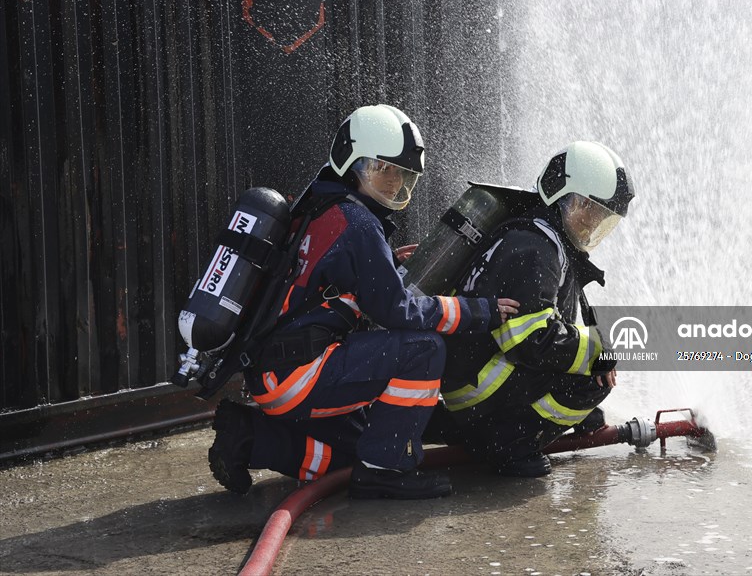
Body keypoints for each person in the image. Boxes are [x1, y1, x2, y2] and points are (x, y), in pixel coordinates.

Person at [207, 104, 519, 499]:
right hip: (300, 375)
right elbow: (398, 312)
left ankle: (248, 438)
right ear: (351, 163)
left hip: (275, 376)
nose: (392, 181)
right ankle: (386, 471)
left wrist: (387, 261)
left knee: (356, 451)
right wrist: (478, 311)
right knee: (424, 350)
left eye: (400, 173)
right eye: (381, 168)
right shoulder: (359, 225)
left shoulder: (322, 204)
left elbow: (326, 276)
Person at [429, 141, 634, 476]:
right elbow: (529, 339)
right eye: (587, 207)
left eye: (601, 216)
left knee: (590, 363)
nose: (593, 221)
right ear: (560, 194)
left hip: (470, 383)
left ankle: (495, 431)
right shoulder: (535, 248)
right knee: (594, 379)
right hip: (480, 397)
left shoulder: (540, 235)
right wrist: (597, 351)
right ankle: (509, 444)